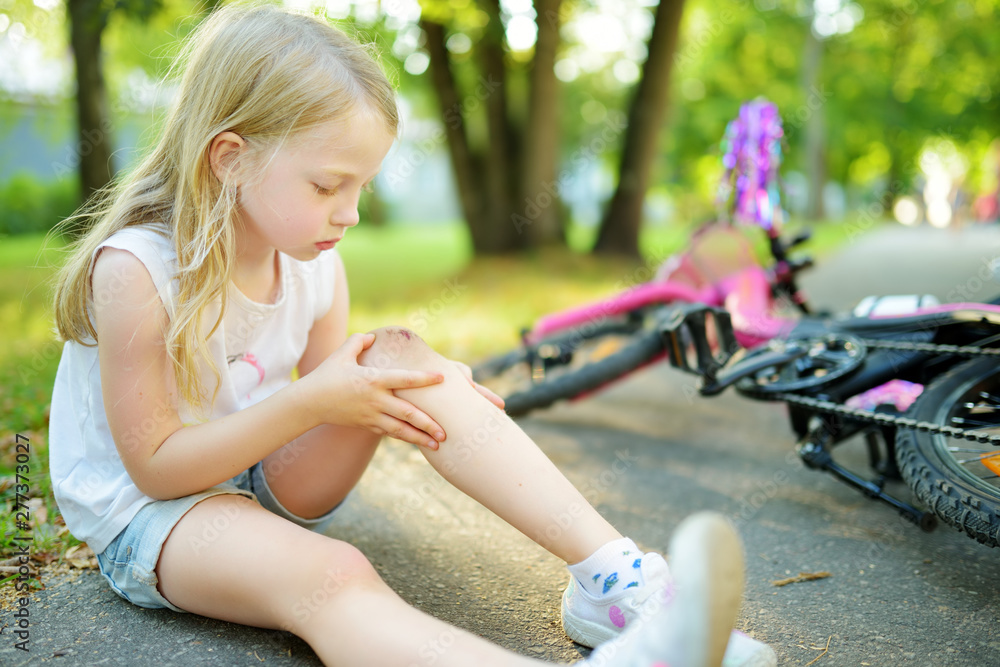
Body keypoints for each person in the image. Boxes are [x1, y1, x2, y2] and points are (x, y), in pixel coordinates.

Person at [48, 6, 776, 666]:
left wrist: (419, 390)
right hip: (154, 515)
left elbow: (324, 416)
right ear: (230, 157)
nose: (350, 214)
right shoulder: (138, 271)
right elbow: (156, 469)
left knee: (398, 355)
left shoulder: (312, 268)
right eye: (327, 186)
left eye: (361, 187)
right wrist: (317, 401)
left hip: (259, 474)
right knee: (333, 577)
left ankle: (613, 583)